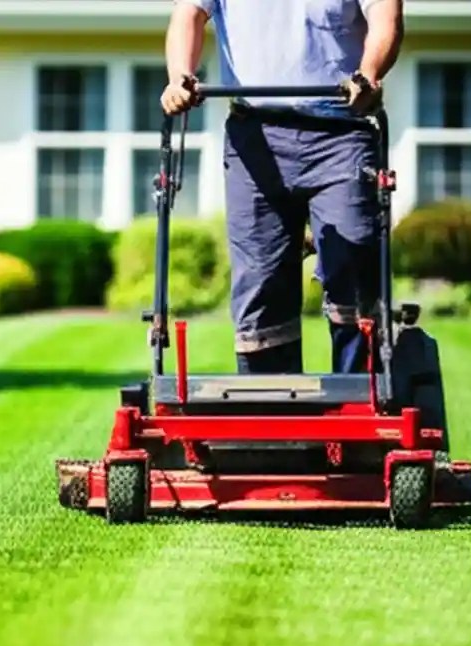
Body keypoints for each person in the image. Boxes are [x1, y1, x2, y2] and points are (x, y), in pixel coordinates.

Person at [161, 0, 404, 374]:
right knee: (260, 282)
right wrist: (180, 76)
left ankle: (359, 398)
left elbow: (386, 18)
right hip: (255, 135)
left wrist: (368, 74)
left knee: (354, 264)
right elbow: (188, 15)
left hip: (341, 131)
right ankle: (269, 409)